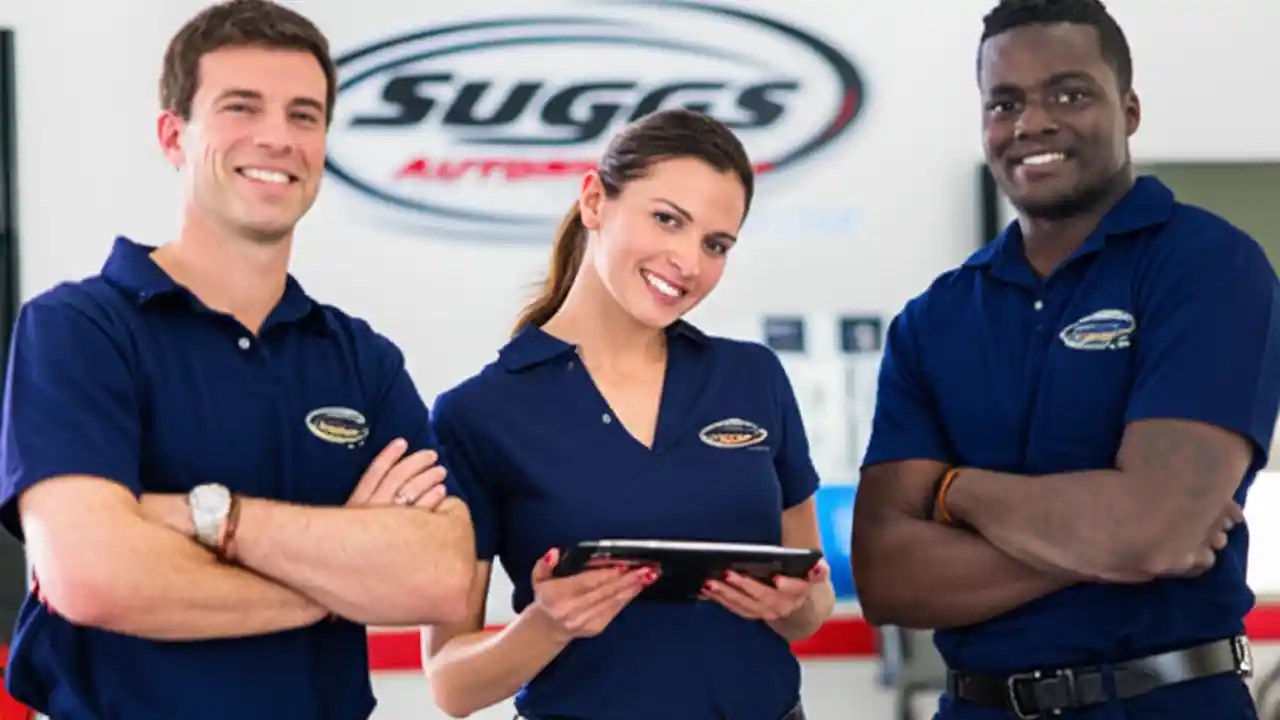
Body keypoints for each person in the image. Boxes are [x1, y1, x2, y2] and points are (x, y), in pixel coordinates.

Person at [0, 1, 475, 718]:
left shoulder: (361, 360)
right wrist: (335, 577)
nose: (277, 138)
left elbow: (439, 580)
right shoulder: (78, 329)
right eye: (241, 108)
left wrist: (205, 518)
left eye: (304, 115)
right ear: (173, 136)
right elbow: (93, 577)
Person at [851, 0, 1280, 718]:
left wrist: (955, 494)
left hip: (1164, 702)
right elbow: (888, 578)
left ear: (1130, 109)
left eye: (1069, 93)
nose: (1032, 123)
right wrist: (1113, 539)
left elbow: (1154, 531)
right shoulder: (934, 319)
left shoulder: (1209, 268)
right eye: (1005, 102)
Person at [420, 108, 835, 720]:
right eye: (667, 219)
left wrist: (788, 604)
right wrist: (548, 625)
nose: (689, 263)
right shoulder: (479, 414)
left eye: (715, 244)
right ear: (594, 201)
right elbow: (451, 686)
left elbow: (811, 606)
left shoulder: (752, 379)